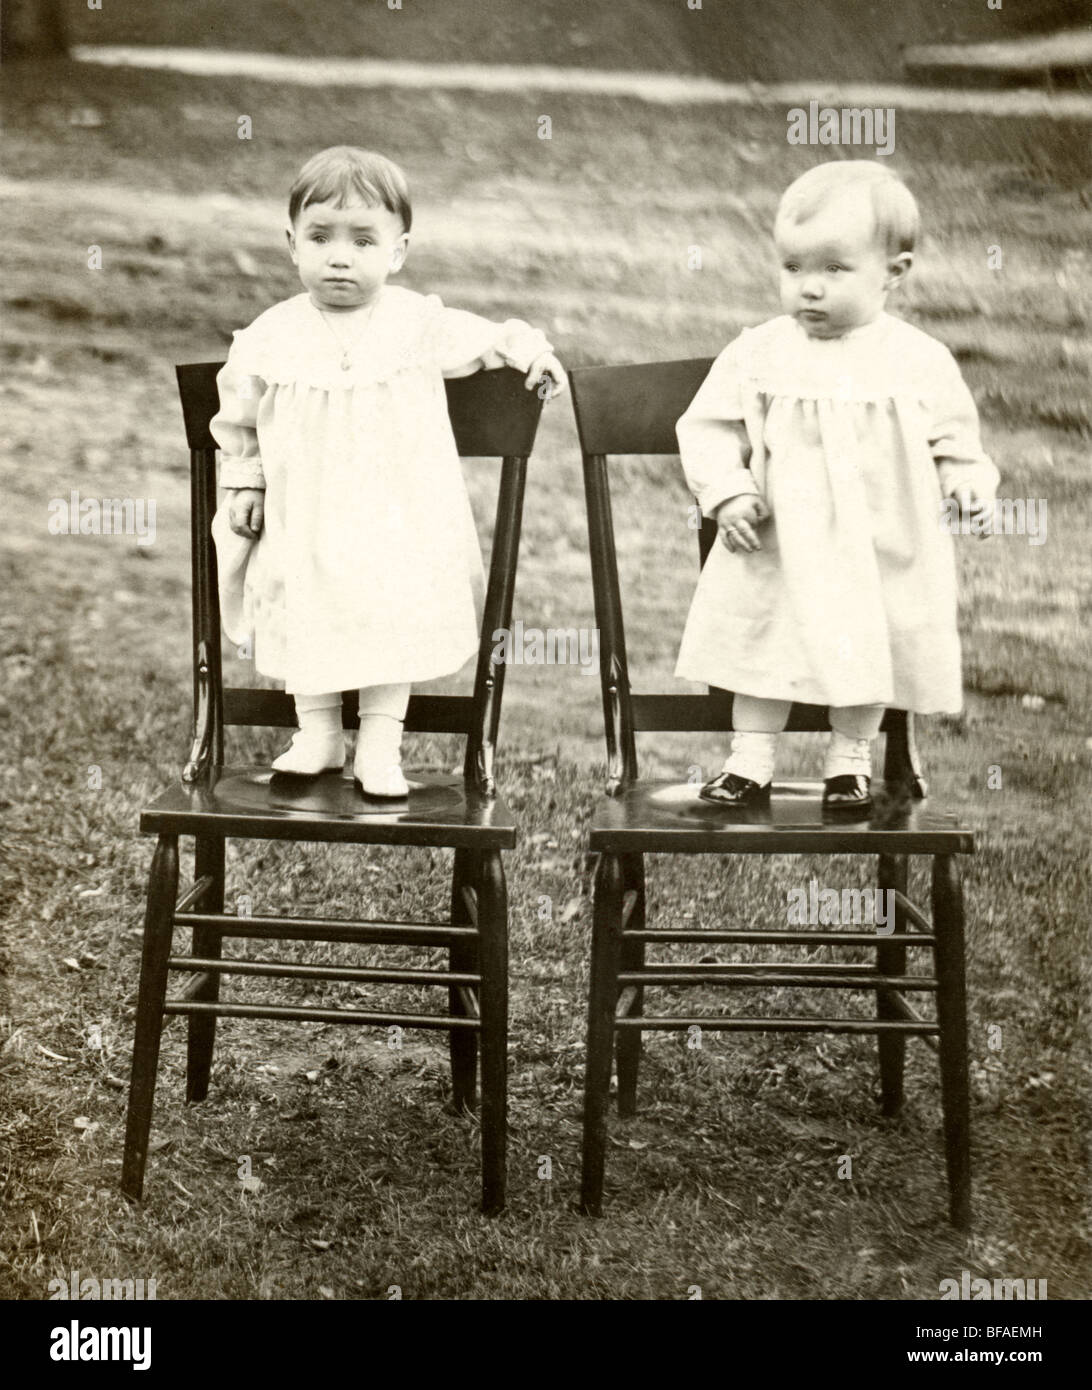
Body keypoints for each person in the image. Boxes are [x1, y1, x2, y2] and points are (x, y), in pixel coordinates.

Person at [210, 146, 565, 796]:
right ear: (292, 244)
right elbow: (241, 420)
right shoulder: (271, 334)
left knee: (391, 611)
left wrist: (531, 353)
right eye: (320, 237)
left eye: (363, 240)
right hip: (306, 518)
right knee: (303, 603)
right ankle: (315, 732)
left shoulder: (415, 324)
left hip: (394, 520)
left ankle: (380, 744)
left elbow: (485, 336)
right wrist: (248, 484)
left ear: (398, 251)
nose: (339, 255)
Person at [675, 160, 997, 811]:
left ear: (894, 273)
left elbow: (956, 436)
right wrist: (728, 490)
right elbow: (706, 426)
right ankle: (750, 758)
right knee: (763, 639)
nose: (808, 290)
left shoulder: (917, 359)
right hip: (780, 542)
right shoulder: (759, 351)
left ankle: (849, 758)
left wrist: (967, 478)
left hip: (876, 543)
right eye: (792, 268)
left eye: (833, 270)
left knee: (869, 640)